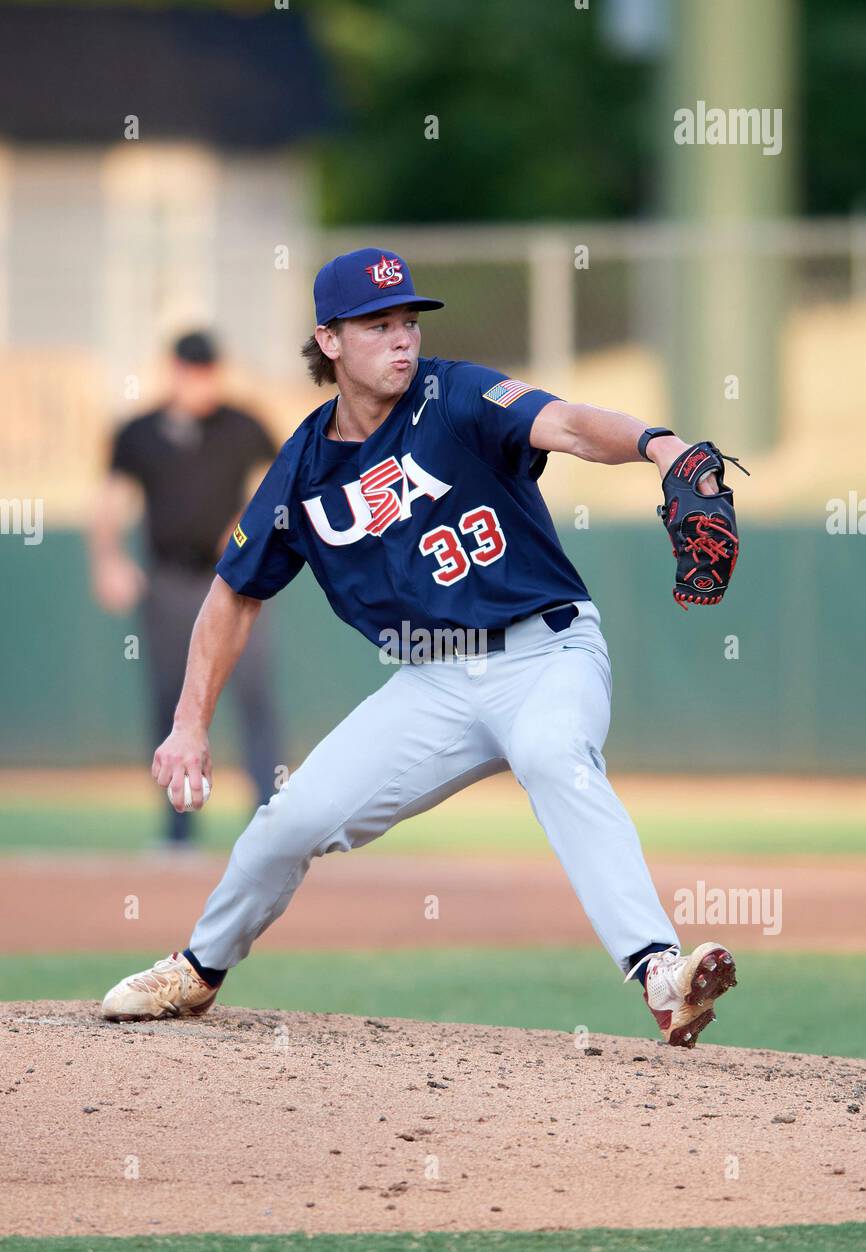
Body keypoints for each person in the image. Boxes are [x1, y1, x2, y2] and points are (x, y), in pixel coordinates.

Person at [101, 249, 738, 1044]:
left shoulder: (456, 392)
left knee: (551, 753)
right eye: (378, 325)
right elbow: (235, 592)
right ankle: (197, 968)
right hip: (433, 682)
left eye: (408, 321)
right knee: (290, 821)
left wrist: (659, 445)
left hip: (548, 651)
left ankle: (660, 974)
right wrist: (191, 721)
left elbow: (569, 424)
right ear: (329, 340)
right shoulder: (303, 466)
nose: (402, 339)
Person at [90, 331, 284, 845]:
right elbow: (109, 501)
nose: (201, 381)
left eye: (208, 371)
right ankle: (178, 828)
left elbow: (278, 486)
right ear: (174, 370)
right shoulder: (139, 432)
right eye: (192, 371)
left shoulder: (243, 423)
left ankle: (269, 819)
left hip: (235, 585)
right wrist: (108, 561)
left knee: (255, 698)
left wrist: (247, 523)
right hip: (170, 583)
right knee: (170, 704)